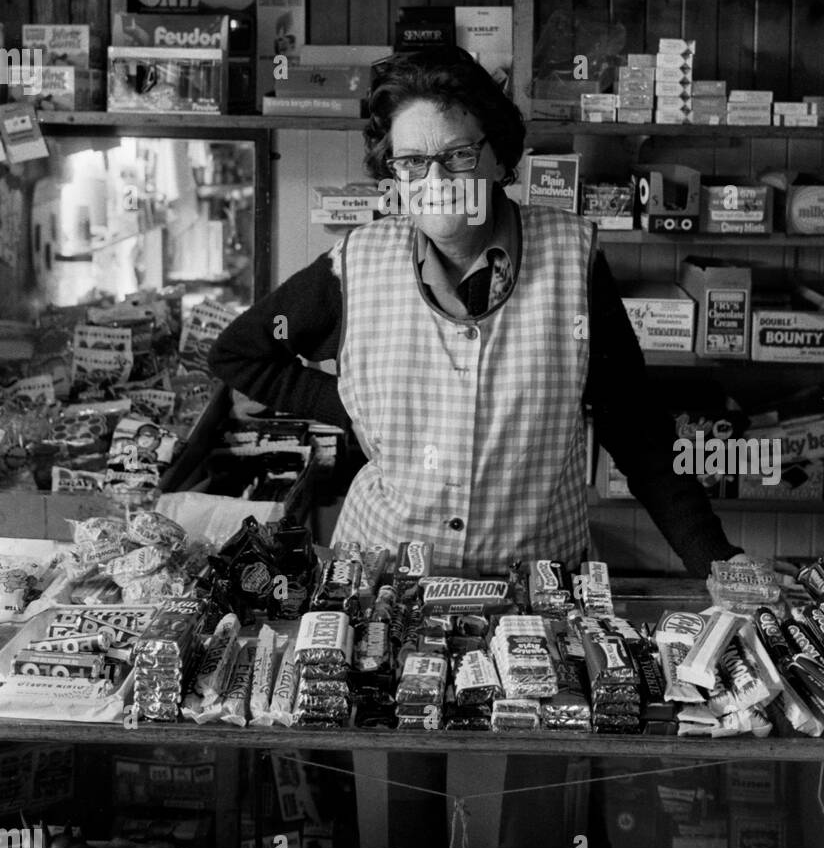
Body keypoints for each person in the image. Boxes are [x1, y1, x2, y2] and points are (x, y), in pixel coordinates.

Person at [209, 47, 746, 580]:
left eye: (458, 155)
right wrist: (353, 406)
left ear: (497, 156)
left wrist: (718, 561)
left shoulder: (571, 259)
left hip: (535, 588)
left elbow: (637, 429)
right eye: (413, 162)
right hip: (383, 582)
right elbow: (240, 352)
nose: (436, 183)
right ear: (393, 172)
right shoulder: (355, 265)